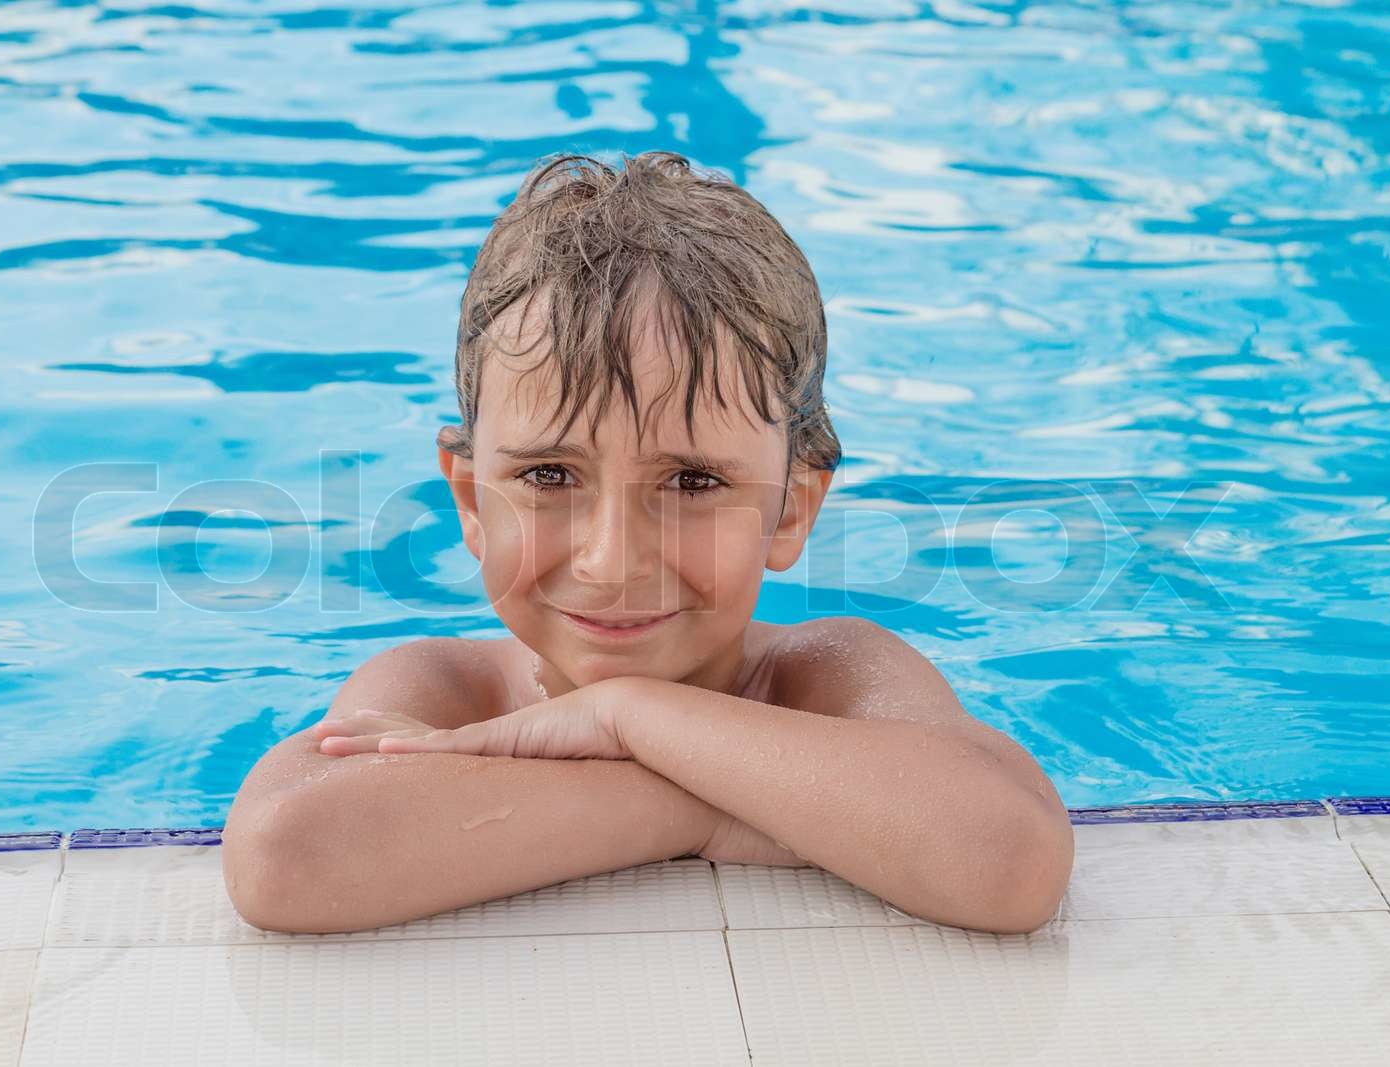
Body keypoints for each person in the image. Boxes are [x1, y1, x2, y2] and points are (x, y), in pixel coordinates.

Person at [222, 150, 1072, 936]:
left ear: (788, 510)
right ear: (471, 498)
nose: (609, 560)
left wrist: (628, 713)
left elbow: (1010, 859)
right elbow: (283, 857)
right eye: (549, 476)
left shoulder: (830, 672)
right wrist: (700, 805)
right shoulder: (447, 690)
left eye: (693, 482)